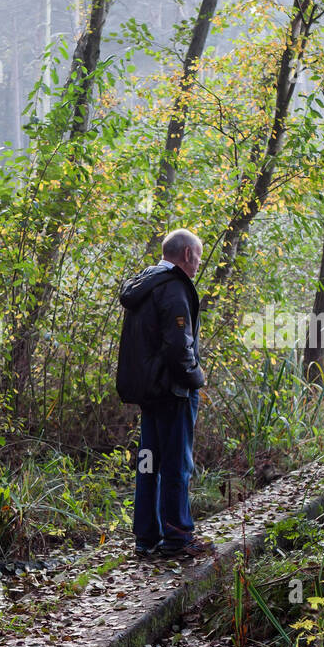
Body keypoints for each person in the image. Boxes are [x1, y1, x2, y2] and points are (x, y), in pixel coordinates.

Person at [116, 229, 215, 560]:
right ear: (187, 255)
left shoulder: (145, 283)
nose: (198, 264)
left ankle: (146, 536)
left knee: (148, 462)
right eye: (198, 258)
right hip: (173, 390)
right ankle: (177, 537)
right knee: (176, 462)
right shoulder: (173, 288)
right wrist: (195, 378)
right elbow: (178, 345)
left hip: (148, 390)